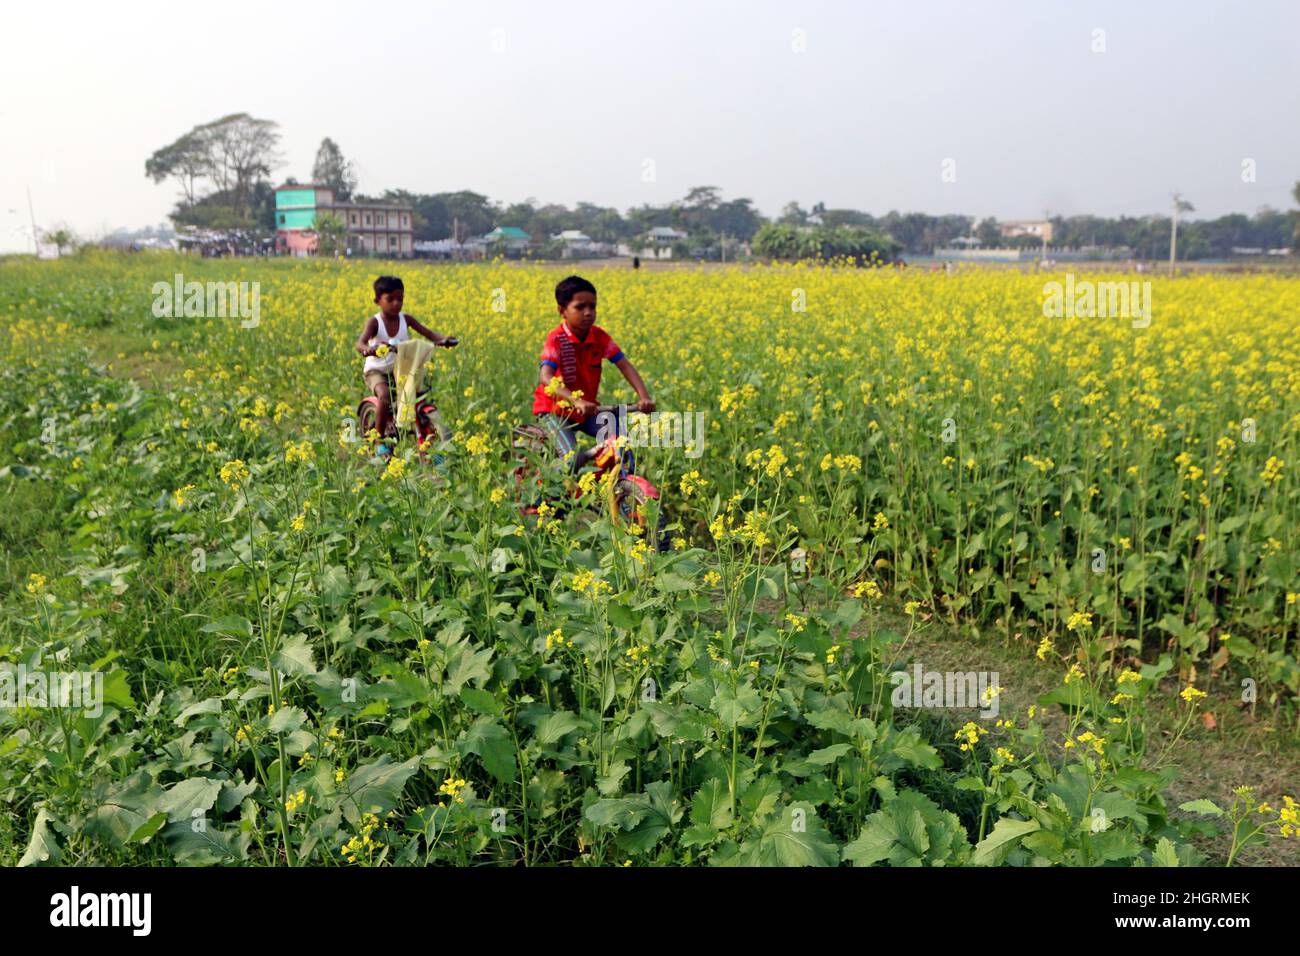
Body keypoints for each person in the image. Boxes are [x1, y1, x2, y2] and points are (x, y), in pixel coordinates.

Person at [531, 275, 654, 472]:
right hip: (554, 411)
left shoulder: (599, 336)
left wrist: (644, 397)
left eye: (592, 306)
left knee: (621, 447)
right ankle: (544, 497)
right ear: (562, 311)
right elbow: (545, 377)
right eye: (580, 307)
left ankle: (613, 491)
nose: (588, 313)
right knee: (569, 461)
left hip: (587, 410)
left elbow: (624, 365)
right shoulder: (556, 339)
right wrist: (575, 400)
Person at [355, 275, 455, 455]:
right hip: (376, 371)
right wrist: (370, 349)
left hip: (400, 370)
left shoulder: (406, 319)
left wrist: (443, 340)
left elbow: (429, 334)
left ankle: (431, 444)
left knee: (416, 396)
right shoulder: (375, 322)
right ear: (377, 300)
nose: (396, 303)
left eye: (400, 299)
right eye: (390, 299)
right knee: (385, 395)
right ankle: (378, 441)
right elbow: (360, 343)